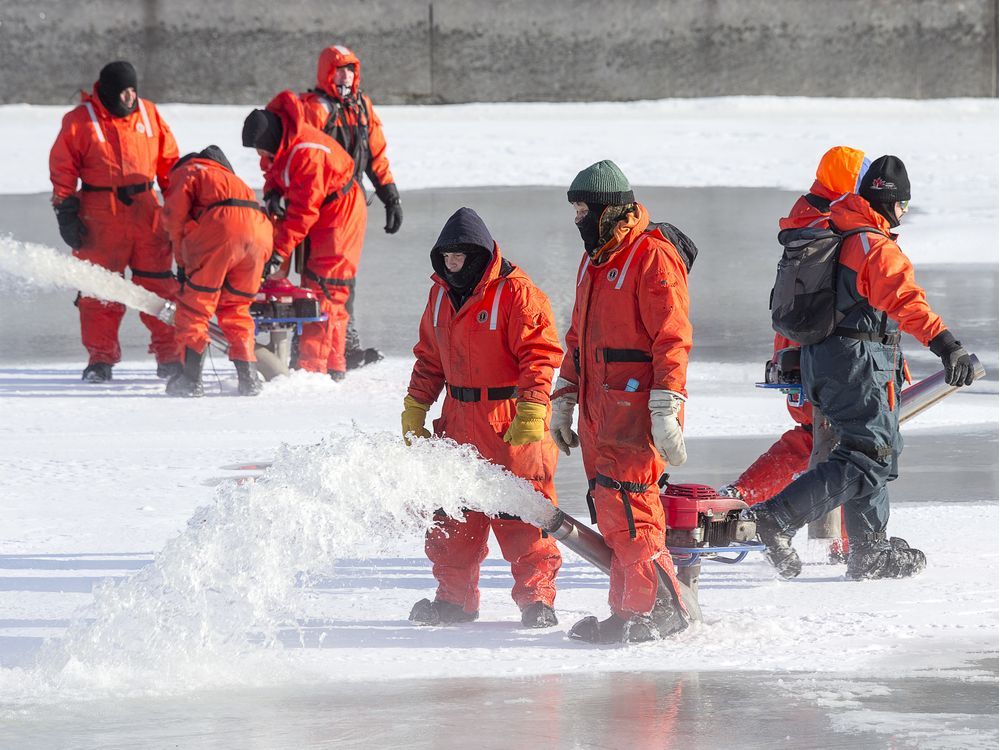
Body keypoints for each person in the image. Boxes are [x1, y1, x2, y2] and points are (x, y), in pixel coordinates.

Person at [753, 155, 978, 581]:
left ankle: (870, 548)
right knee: (869, 454)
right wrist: (949, 347)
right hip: (855, 363)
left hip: (825, 359)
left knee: (866, 448)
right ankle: (777, 517)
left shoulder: (833, 230)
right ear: (891, 202)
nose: (904, 215)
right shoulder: (872, 245)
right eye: (904, 206)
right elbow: (907, 302)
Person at [551, 161, 697, 644]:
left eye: (582, 209)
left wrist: (665, 408)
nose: (577, 219)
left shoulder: (651, 256)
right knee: (614, 511)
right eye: (573, 209)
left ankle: (655, 611)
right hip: (601, 412)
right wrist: (564, 398)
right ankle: (632, 609)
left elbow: (672, 338)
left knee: (634, 511)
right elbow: (577, 339)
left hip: (636, 413)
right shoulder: (595, 261)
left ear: (609, 210)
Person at [402, 207, 564, 629]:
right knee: (453, 517)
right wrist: (416, 407)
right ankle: (453, 601)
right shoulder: (439, 295)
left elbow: (540, 354)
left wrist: (532, 406)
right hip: (457, 420)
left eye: (459, 258)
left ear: (477, 256)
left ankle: (537, 603)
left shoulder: (517, 293)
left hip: (511, 421)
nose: (451, 266)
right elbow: (429, 359)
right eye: (445, 259)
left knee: (523, 520)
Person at [719, 146, 872, 559]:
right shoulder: (837, 226)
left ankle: (740, 499)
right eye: (862, 177)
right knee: (835, 441)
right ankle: (834, 542)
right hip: (825, 348)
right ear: (848, 181)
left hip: (796, 342)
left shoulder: (806, 218)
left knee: (818, 438)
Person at [49, 61, 180, 382]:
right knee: (98, 291)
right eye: (124, 91)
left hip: (147, 212)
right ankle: (100, 360)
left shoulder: (149, 114)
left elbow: (170, 164)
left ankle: (170, 358)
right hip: (98, 215)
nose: (130, 97)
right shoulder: (79, 121)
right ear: (108, 91)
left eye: (134, 90)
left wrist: (179, 205)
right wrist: (65, 211)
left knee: (160, 288)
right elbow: (63, 168)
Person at [297, 45, 402, 371]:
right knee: (318, 277)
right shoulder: (315, 109)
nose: (346, 75)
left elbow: (376, 155)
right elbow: (303, 156)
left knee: (343, 277)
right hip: (321, 202)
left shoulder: (361, 107)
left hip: (351, 204)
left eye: (351, 69)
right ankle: (311, 350)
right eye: (340, 69)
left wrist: (390, 196)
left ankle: (342, 346)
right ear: (326, 72)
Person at [242, 90, 359, 380]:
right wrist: (272, 192)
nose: (259, 156)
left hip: (339, 212)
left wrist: (280, 252)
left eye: (260, 149)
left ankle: (318, 368)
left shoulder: (307, 152)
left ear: (269, 141)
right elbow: (273, 170)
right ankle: (326, 363)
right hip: (321, 207)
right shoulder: (283, 142)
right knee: (313, 283)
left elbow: (303, 213)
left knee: (326, 286)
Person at [160, 145, 272, 397]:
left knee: (195, 308)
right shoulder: (232, 179)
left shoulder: (189, 171)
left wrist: (182, 262)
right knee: (237, 307)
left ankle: (190, 380)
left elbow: (173, 218)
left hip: (222, 230)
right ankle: (249, 379)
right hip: (259, 234)